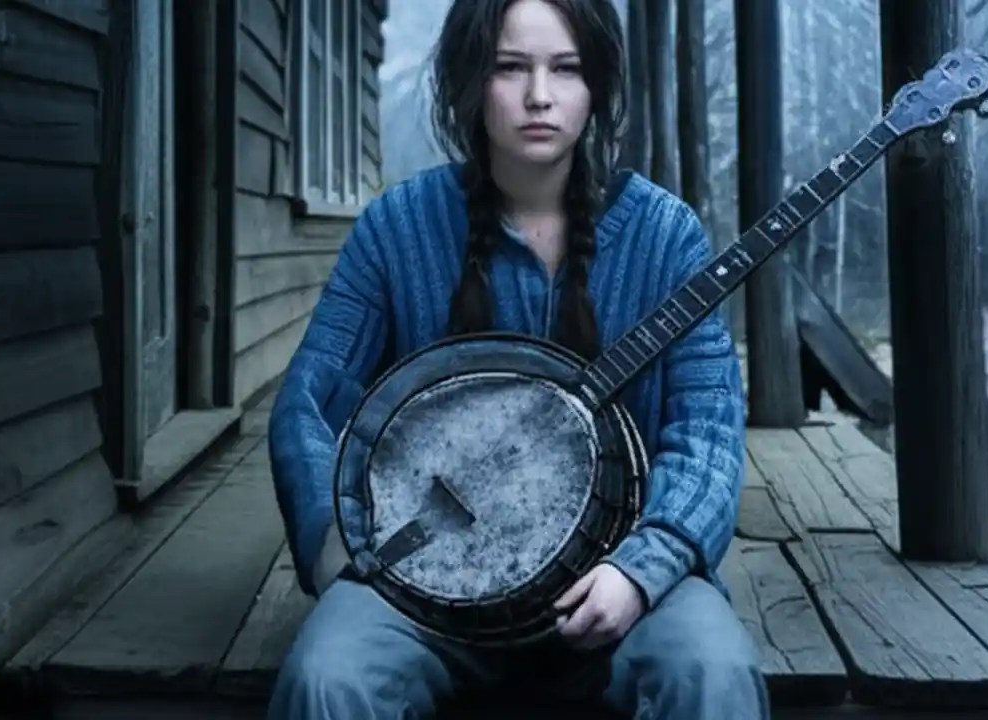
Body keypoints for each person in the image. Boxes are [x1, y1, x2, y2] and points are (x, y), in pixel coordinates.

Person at [265, 0, 769, 717]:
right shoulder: (397, 228)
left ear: (595, 86)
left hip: (617, 582)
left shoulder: (665, 235)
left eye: (566, 69)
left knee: (711, 671)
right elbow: (309, 401)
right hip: (426, 594)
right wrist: (336, 543)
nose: (539, 95)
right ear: (472, 81)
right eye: (510, 68)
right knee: (328, 676)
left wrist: (644, 568)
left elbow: (707, 432)